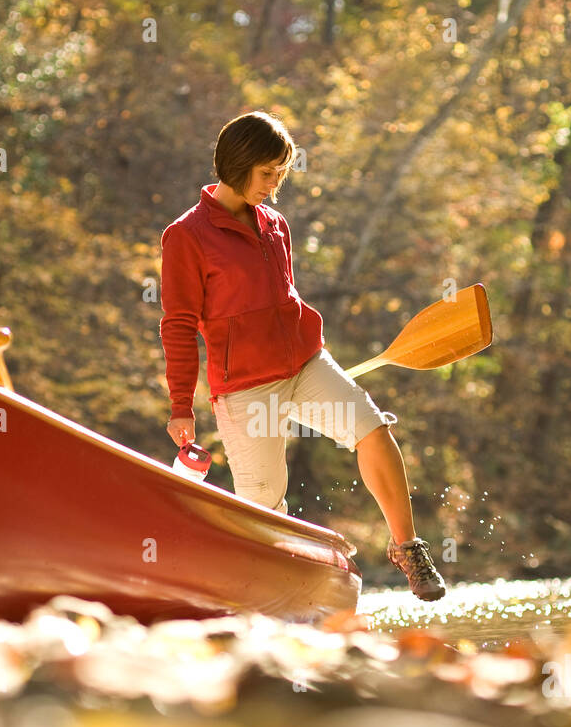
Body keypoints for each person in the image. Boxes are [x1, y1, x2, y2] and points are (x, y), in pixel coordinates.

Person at [159, 110, 446, 601]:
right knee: (264, 506)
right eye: (267, 173)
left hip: (307, 364)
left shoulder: (275, 224)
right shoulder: (185, 236)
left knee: (373, 431)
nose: (274, 185)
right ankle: (244, 601)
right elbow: (180, 326)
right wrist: (181, 404)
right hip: (245, 387)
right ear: (237, 163)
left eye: (281, 174)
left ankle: (408, 548)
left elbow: (283, 297)